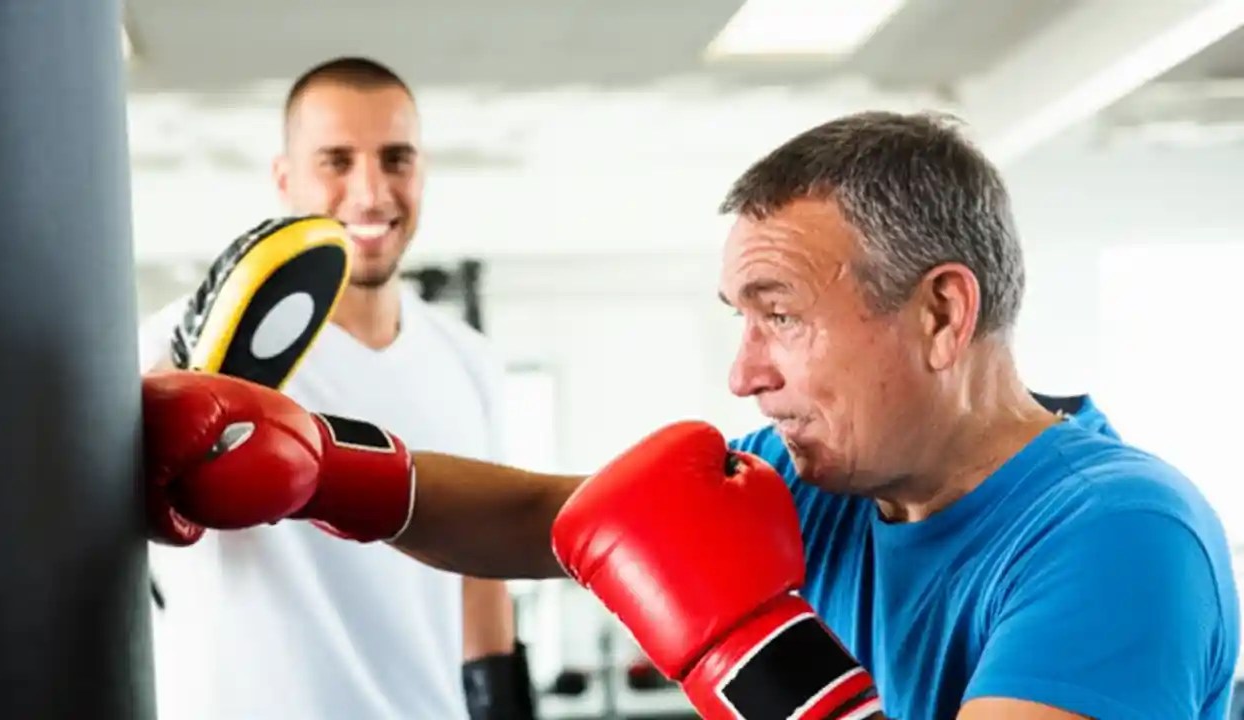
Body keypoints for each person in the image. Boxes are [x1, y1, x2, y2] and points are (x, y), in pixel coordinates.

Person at [141, 111, 1240, 719]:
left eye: (780, 317)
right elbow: (556, 521)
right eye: (738, 318)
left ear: (941, 312)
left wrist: (751, 652)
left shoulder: (1118, 537)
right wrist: (327, 470)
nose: (744, 374)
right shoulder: (827, 484)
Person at [139, 57, 532, 720]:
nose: (372, 192)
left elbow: (481, 580)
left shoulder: (471, 362)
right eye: (337, 161)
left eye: (397, 159)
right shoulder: (179, 344)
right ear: (285, 179)